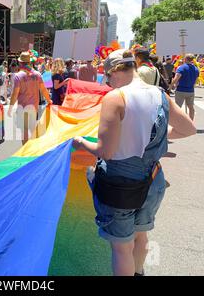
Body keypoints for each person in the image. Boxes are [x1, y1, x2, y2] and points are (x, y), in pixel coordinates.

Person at [72, 49, 196, 276]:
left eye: (107, 77)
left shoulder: (115, 97)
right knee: (141, 236)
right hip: (153, 179)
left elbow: (105, 152)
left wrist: (79, 143)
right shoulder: (160, 94)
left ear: (115, 71)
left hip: (120, 184)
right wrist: (156, 134)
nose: (107, 82)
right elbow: (188, 129)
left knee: (121, 248)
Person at [8, 51, 52, 145]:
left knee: (24, 131)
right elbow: (44, 90)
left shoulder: (18, 76)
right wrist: (49, 101)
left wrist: (10, 108)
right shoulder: (37, 74)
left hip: (22, 107)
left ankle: (25, 152)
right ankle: (32, 152)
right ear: (30, 62)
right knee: (32, 130)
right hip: (34, 107)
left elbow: (14, 94)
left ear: (20, 63)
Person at [172, 54, 199, 121]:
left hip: (181, 90)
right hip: (190, 91)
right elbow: (196, 80)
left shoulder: (181, 67)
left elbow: (176, 78)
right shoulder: (196, 69)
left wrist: (171, 85)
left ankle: (177, 122)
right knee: (191, 107)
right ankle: (191, 122)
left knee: (177, 107)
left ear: (185, 59)